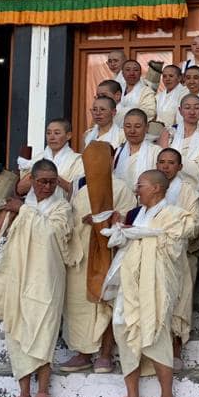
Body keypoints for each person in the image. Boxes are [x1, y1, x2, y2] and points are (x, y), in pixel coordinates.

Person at [104, 170, 198, 397]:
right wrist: (126, 232)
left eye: (141, 185)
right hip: (131, 283)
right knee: (123, 327)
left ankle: (166, 396)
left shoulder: (173, 215)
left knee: (156, 331)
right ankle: (132, 395)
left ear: (156, 188)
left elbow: (174, 247)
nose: (137, 189)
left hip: (156, 284)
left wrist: (144, 235)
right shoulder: (137, 215)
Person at [0, 159, 75, 397]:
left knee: (44, 330)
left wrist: (24, 211)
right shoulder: (22, 208)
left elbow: (52, 234)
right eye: (42, 182)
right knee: (17, 331)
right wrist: (21, 211)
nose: (47, 186)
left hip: (47, 279)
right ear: (33, 182)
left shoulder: (61, 207)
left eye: (51, 181)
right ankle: (24, 392)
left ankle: (43, 391)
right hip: (19, 277)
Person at [59, 143, 134, 375]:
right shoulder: (80, 191)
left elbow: (129, 220)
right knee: (80, 306)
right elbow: (71, 220)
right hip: (80, 257)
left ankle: (105, 354)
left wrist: (108, 221)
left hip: (106, 254)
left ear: (112, 161)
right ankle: (82, 353)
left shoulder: (121, 188)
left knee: (106, 304)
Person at [156, 149, 199, 371]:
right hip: (153, 255)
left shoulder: (188, 192)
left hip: (180, 255)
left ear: (180, 167)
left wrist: (169, 228)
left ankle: (176, 348)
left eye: (171, 163)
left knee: (179, 302)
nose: (165, 167)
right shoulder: (149, 186)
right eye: (162, 162)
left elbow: (195, 225)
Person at [17, 119, 83, 199]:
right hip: (34, 205)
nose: (51, 137)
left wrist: (53, 178)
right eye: (48, 133)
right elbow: (20, 189)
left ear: (68, 135)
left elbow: (80, 192)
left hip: (63, 207)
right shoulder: (37, 159)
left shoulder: (78, 161)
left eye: (57, 133)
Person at [158, 94, 199, 184]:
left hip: (192, 187)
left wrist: (173, 160)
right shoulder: (169, 133)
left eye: (197, 108)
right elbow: (162, 161)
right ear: (180, 110)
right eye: (187, 108)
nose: (192, 112)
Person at [113, 109, 162, 189]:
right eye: (128, 126)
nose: (132, 131)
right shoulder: (117, 153)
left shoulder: (156, 152)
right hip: (121, 199)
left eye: (137, 126)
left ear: (146, 128)